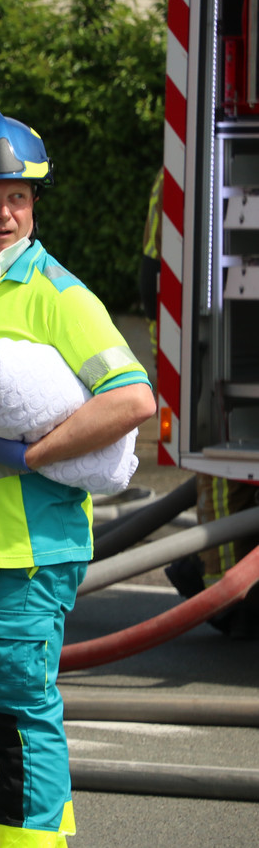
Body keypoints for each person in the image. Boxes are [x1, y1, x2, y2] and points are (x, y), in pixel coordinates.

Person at [0, 110, 156, 848]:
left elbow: (133, 399)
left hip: (30, 548)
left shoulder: (58, 295)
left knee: (19, 719)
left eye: (18, 197)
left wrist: (36, 455)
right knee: (2, 714)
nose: (5, 213)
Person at [143, 167, 259, 638]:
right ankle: (227, 597)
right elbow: (158, 271)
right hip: (212, 351)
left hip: (211, 344)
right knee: (218, 463)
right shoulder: (187, 173)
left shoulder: (182, 173)